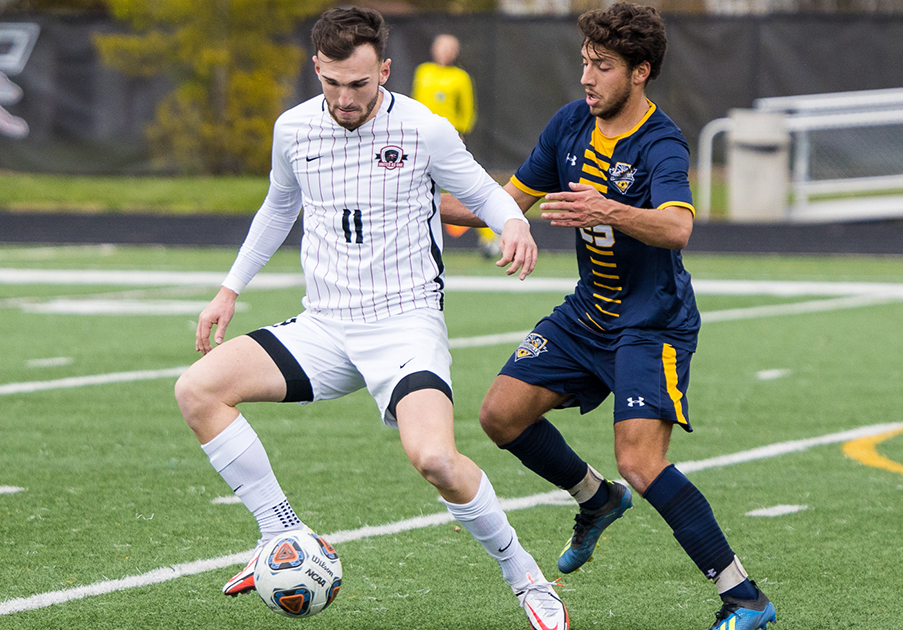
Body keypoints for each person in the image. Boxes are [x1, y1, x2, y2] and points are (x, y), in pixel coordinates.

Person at [174, 7, 567, 629]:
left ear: (383, 70)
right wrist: (228, 290)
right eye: (332, 83)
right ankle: (283, 536)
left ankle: (527, 579)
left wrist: (513, 223)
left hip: (405, 326)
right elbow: (278, 208)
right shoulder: (294, 129)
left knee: (434, 459)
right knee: (197, 391)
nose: (345, 97)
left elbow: (486, 191)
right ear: (317, 69)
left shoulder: (422, 128)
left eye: (359, 84)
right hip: (324, 327)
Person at [440, 4, 777, 630]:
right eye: (584, 63)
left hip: (653, 323)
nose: (587, 78)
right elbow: (501, 201)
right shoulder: (569, 124)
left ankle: (745, 597)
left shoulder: (661, 142)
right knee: (499, 414)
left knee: (641, 462)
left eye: (602, 66)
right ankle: (595, 499)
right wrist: (415, 202)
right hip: (588, 314)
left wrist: (611, 209)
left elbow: (677, 226)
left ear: (641, 71)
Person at [411, 34, 501, 258]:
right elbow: (413, 102)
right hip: (418, 140)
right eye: (441, 47)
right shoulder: (423, 71)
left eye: (450, 48)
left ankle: (490, 239)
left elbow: (468, 110)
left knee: (466, 188)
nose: (445, 52)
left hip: (448, 142)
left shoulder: (461, 77)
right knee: (414, 188)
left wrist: (458, 135)